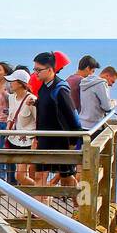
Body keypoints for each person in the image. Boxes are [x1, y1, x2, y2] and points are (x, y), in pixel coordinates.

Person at [32, 51, 81, 188]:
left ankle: (81, 205)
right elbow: (47, 109)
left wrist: (73, 142)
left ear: (49, 69)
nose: (35, 73)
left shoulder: (60, 89)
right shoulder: (44, 88)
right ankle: (39, 208)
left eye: (38, 70)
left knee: (67, 177)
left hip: (60, 141)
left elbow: (72, 116)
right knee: (40, 175)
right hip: (45, 139)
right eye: (34, 69)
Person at [4, 71, 38, 186]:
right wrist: (8, 125)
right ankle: (33, 198)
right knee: (21, 176)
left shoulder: (31, 99)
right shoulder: (11, 98)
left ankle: (43, 194)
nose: (10, 83)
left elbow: (38, 120)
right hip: (14, 140)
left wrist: (35, 140)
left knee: (20, 175)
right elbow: (11, 115)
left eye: (12, 81)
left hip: (28, 141)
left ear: (20, 83)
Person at [78, 62, 116, 130]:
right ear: (107, 75)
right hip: (94, 126)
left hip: (82, 124)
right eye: (112, 81)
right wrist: (114, 103)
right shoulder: (101, 84)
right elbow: (107, 107)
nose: (111, 85)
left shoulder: (85, 82)